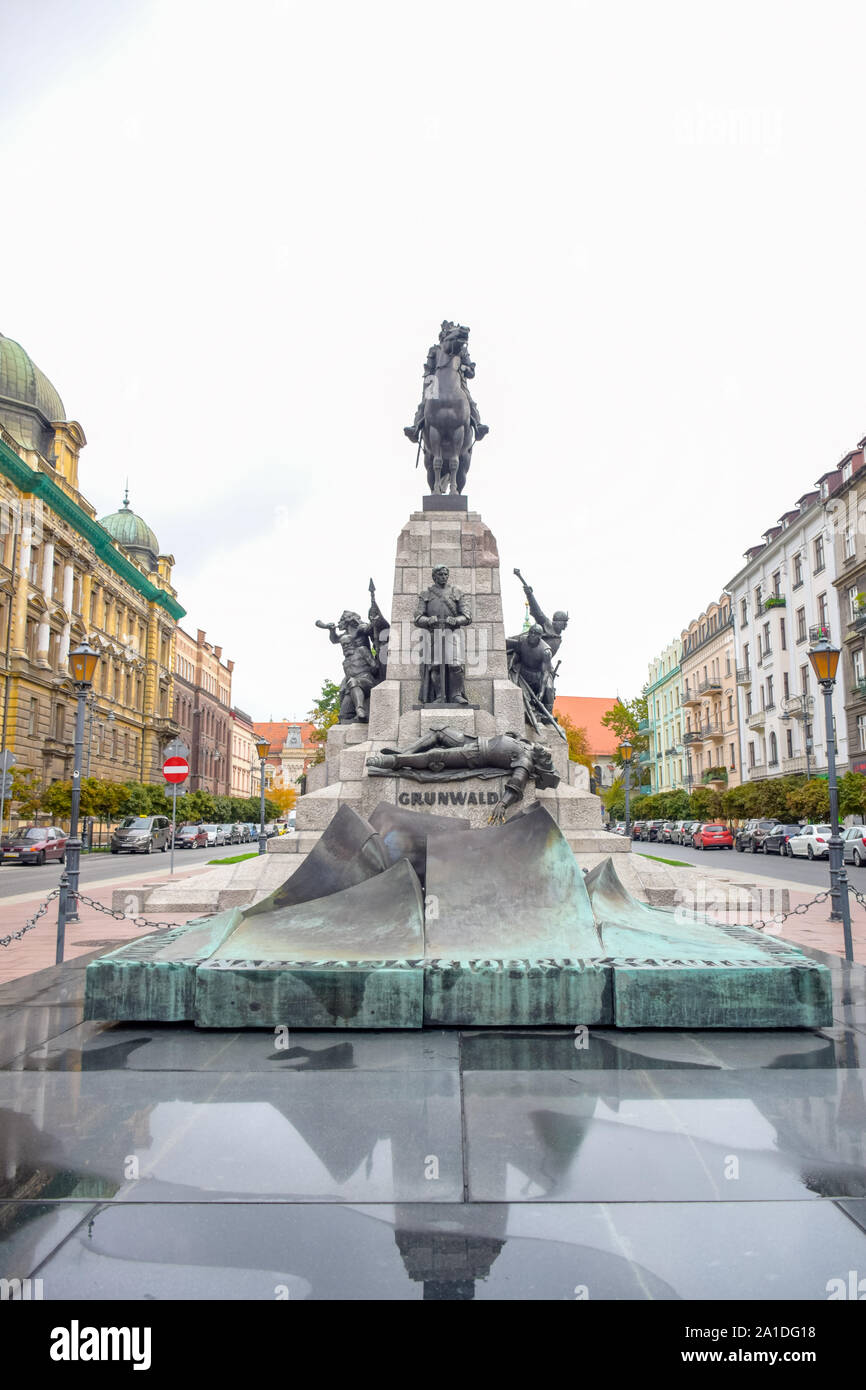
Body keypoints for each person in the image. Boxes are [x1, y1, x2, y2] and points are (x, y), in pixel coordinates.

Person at [404, 321, 489, 444]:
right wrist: (429, 385)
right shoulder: (434, 350)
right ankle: (415, 427)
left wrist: (465, 368)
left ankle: (478, 426)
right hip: (435, 382)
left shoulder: (461, 350)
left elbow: (471, 372)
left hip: (458, 382)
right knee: (424, 403)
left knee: (470, 402)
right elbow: (429, 369)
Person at [413, 566, 472, 704]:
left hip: (452, 632)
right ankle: (440, 696)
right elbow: (417, 618)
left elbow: (468, 616)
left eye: (446, 574)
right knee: (435, 666)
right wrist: (427, 620)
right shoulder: (426, 594)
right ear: (434, 576)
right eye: (440, 574)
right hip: (434, 634)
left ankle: (456, 695)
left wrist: (456, 620)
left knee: (455, 665)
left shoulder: (456, 592)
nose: (444, 576)